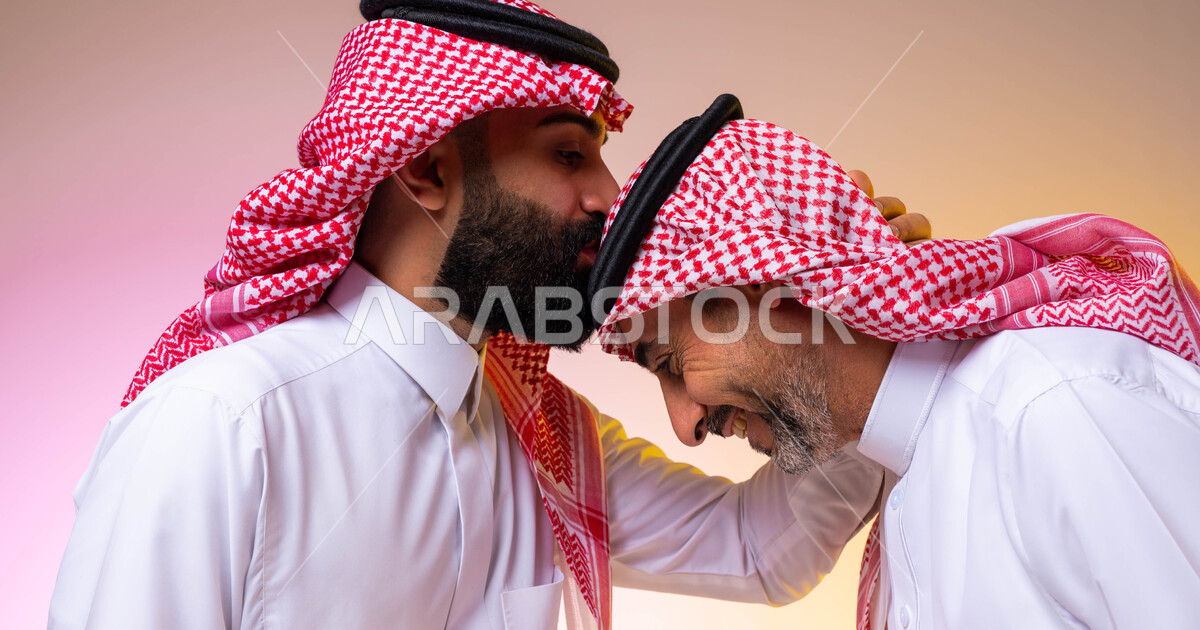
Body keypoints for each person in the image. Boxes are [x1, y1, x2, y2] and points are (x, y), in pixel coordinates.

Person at [48, 5, 928, 630]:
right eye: (567, 154)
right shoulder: (227, 424)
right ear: (426, 171)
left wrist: (846, 344)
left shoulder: (543, 435)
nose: (607, 197)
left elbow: (757, 551)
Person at [592, 101, 1200, 629]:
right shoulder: (914, 478)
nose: (685, 425)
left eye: (673, 361)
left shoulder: (1054, 409)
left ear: (767, 282)